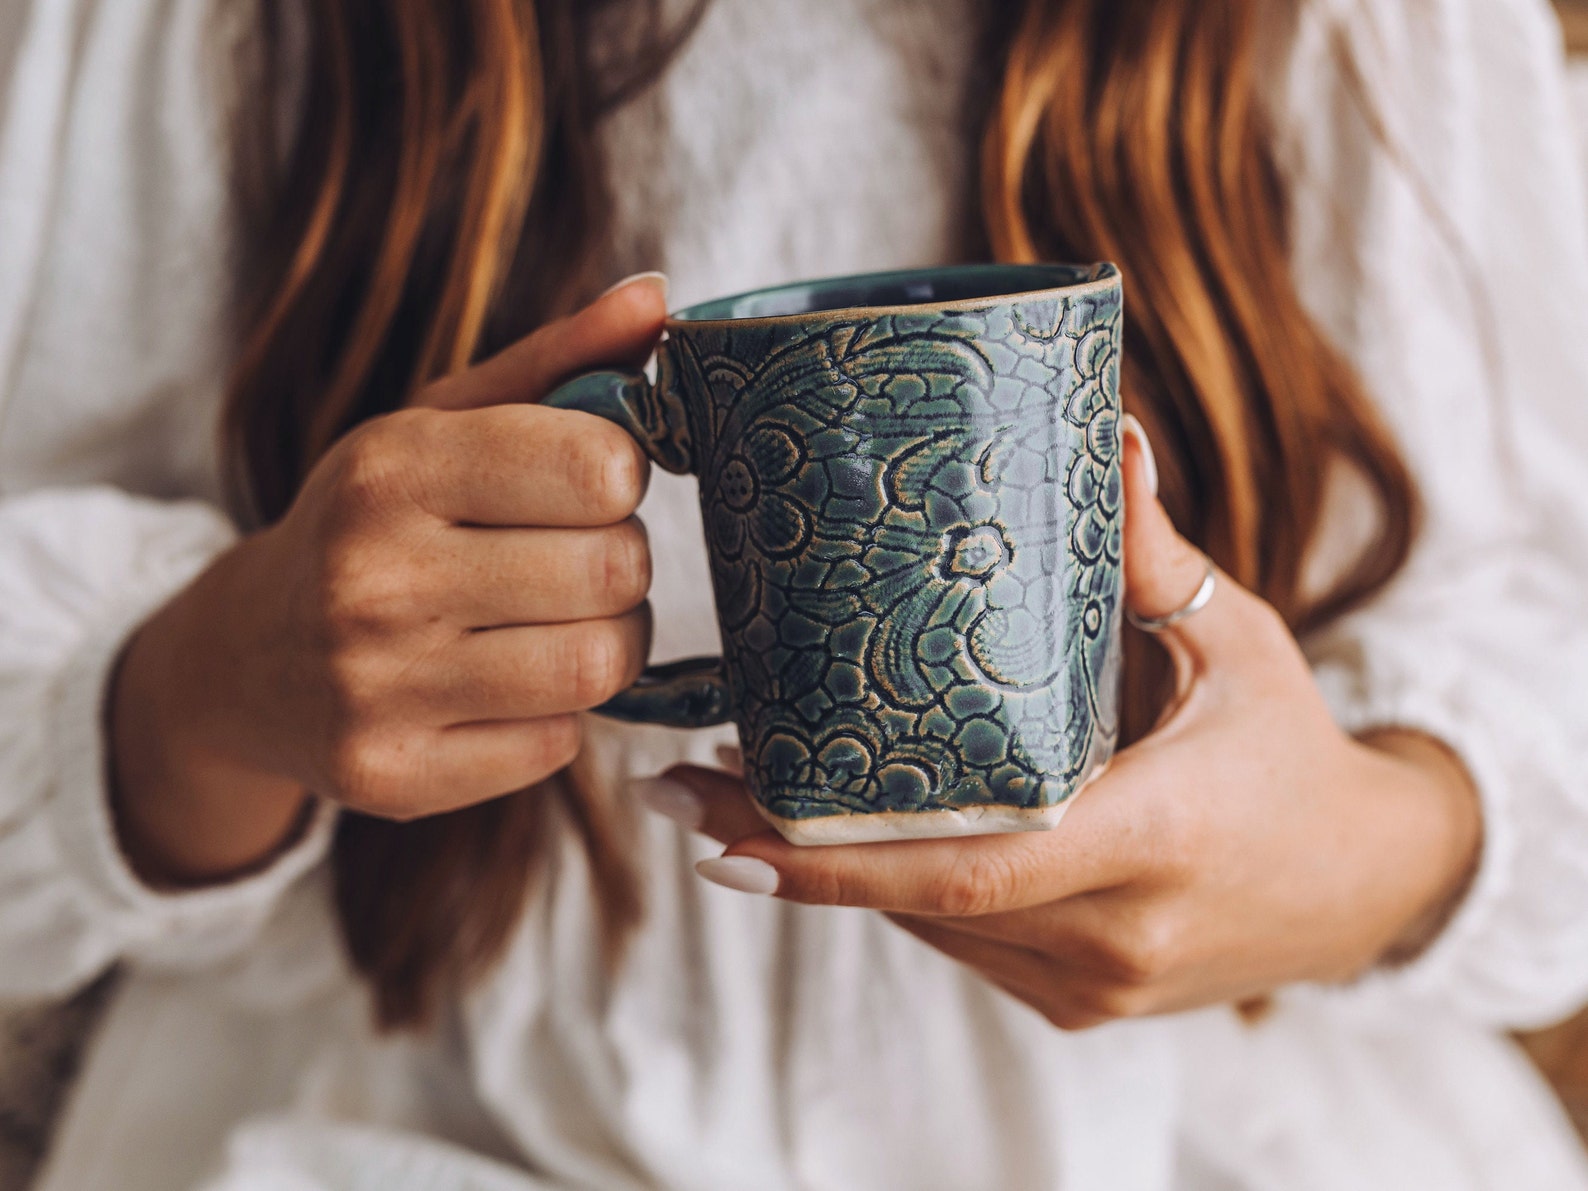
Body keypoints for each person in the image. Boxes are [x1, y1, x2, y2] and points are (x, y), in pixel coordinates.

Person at [2, 0, 1588, 1187]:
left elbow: (1547, 626)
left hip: (1229, 1130)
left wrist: (1357, 859)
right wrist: (224, 674)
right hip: (393, 1119)